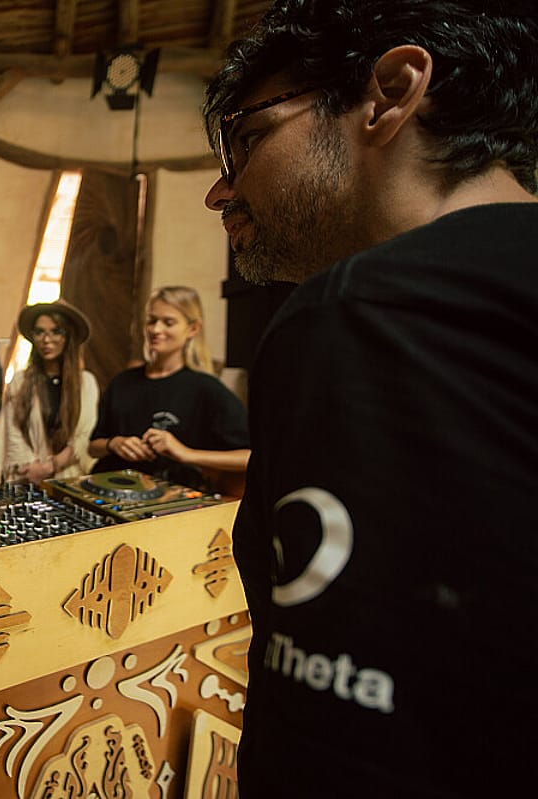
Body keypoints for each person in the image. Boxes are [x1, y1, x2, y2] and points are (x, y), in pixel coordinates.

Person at [200, 2, 538, 795]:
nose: (221, 190)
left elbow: (346, 739)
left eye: (246, 139)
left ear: (389, 92)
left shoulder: (366, 313)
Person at [88, 286, 249, 492]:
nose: (156, 330)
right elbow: (94, 447)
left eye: (168, 322)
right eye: (152, 320)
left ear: (193, 329)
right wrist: (114, 443)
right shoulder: (122, 382)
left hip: (170, 503)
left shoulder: (207, 389)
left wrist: (185, 453)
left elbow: (249, 457)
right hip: (109, 492)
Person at [0, 300, 99, 484]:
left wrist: (51, 466)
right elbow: (12, 433)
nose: (46, 340)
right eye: (39, 332)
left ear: (67, 336)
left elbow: (85, 437)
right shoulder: (20, 381)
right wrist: (32, 469)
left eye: (55, 331)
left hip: (71, 480)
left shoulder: (86, 383)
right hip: (26, 479)